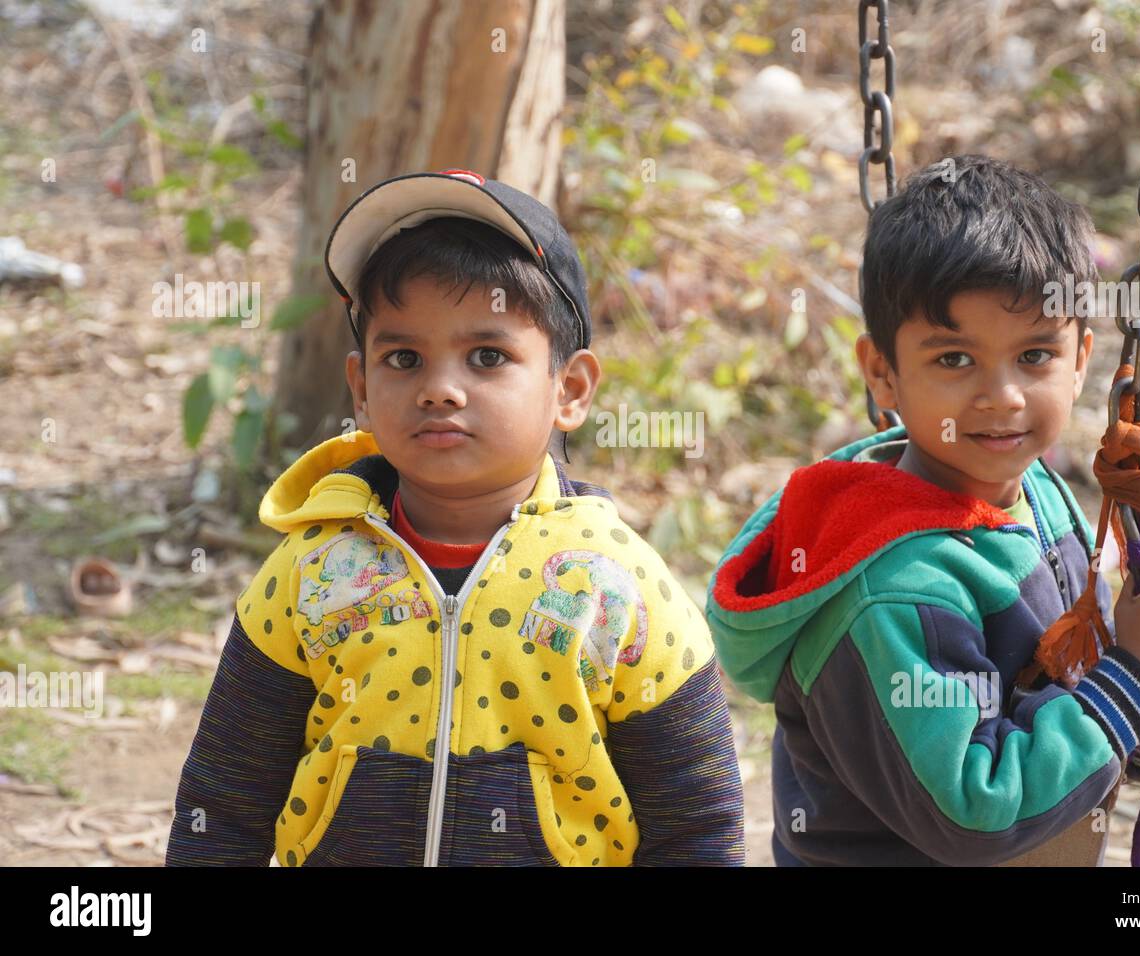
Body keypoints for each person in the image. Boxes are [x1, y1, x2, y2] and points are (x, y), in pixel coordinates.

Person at [167, 169, 744, 867]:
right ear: (361, 388)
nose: (440, 389)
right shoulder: (308, 574)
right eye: (404, 358)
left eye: (487, 356)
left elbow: (698, 824)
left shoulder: (617, 588)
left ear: (571, 388)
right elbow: (222, 803)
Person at [706, 155, 1140, 866]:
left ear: (1081, 358)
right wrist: (1139, 676)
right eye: (954, 359)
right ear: (882, 372)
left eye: (1035, 355)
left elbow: (1058, 694)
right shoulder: (893, 589)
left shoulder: (1034, 493)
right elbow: (976, 814)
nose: (1003, 396)